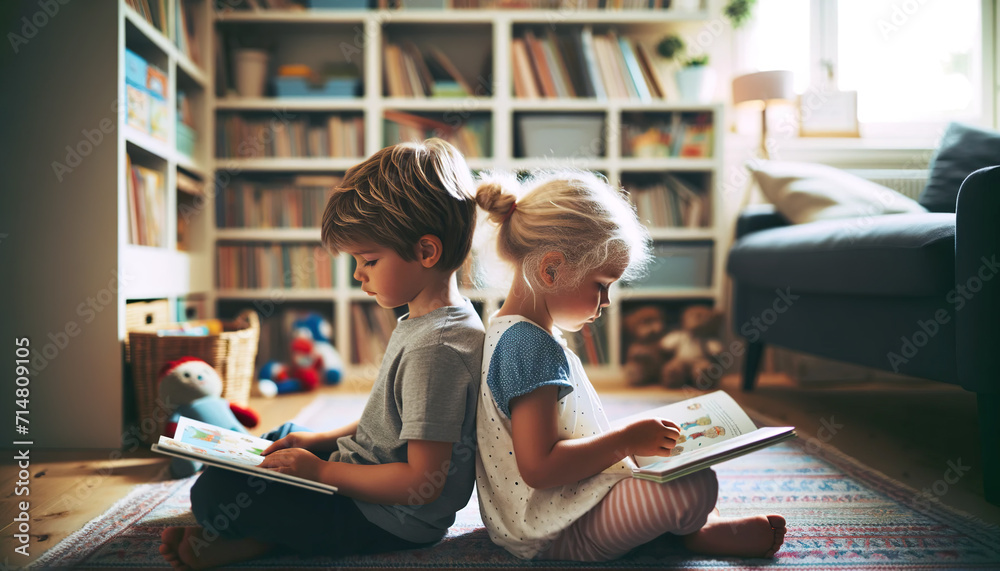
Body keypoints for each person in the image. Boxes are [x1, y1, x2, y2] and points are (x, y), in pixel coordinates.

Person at [160, 139, 485, 569]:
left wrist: (321, 472)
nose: (358, 274)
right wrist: (319, 443)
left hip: (386, 518)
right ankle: (261, 532)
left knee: (216, 493)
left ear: (426, 251)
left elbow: (420, 483)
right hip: (366, 480)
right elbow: (391, 426)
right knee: (284, 438)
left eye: (369, 260)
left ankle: (258, 542)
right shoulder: (428, 321)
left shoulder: (437, 349)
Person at [473, 169, 787, 562]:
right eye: (601, 285)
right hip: (555, 529)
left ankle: (694, 525)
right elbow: (539, 468)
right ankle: (697, 532)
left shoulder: (518, 333)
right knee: (695, 487)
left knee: (672, 456)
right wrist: (624, 441)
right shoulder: (527, 346)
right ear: (551, 270)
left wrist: (630, 441)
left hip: (561, 506)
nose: (606, 302)